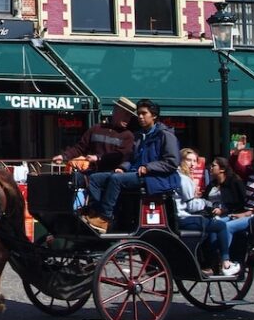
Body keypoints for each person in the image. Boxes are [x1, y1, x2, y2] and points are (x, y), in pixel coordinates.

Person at [83, 98, 180, 234]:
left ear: (154, 116)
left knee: (116, 179)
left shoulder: (165, 135)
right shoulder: (139, 136)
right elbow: (131, 158)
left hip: (155, 178)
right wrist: (123, 167)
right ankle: (95, 212)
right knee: (95, 178)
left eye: (144, 113)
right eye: (138, 114)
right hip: (136, 174)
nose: (140, 117)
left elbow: (172, 162)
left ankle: (105, 218)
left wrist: (149, 167)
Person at [203, 147, 254, 277]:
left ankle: (226, 262)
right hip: (242, 214)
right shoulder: (251, 175)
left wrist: (248, 213)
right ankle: (213, 260)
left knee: (226, 226)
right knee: (214, 225)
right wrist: (236, 153)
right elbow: (236, 167)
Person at [52, 96, 137, 171]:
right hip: (91, 170)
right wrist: (64, 157)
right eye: (126, 114)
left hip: (111, 173)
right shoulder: (96, 128)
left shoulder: (128, 136)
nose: (128, 119)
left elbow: (119, 156)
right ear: (116, 111)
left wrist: (98, 158)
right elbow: (80, 148)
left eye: (130, 116)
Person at [199, 156, 247, 273]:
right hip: (211, 213)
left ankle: (219, 260)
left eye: (214, 165)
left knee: (217, 225)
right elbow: (205, 199)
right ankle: (207, 260)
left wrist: (223, 210)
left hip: (230, 214)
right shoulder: (212, 184)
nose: (210, 167)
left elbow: (240, 202)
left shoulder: (234, 182)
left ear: (222, 169)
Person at [175, 148, 209, 232]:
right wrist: (205, 202)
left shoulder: (176, 175)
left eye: (194, 161)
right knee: (221, 225)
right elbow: (191, 206)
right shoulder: (184, 178)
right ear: (181, 161)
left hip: (177, 217)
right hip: (184, 218)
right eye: (189, 160)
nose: (192, 164)